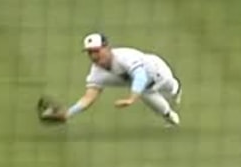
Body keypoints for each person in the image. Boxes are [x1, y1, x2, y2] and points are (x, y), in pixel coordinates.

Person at [44, 32, 182, 127]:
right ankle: (169, 116)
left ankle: (177, 88)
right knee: (164, 112)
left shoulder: (124, 57)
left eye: (96, 51)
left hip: (158, 71)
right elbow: (88, 98)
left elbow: (140, 75)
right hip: (145, 88)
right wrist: (68, 113)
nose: (94, 56)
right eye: (90, 52)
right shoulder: (96, 73)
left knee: (172, 89)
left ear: (107, 48)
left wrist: (131, 98)